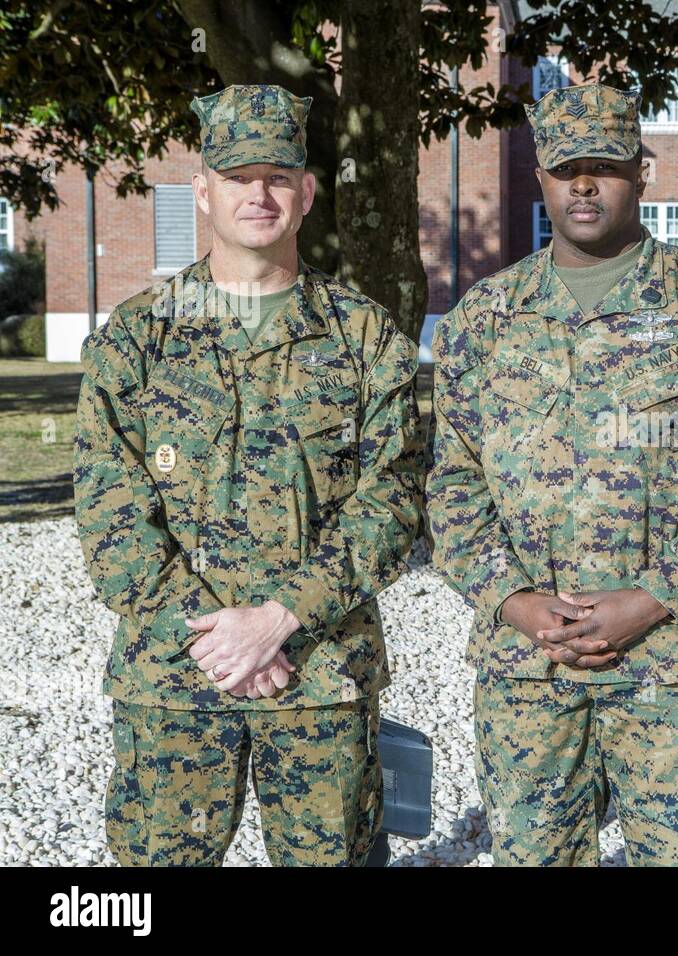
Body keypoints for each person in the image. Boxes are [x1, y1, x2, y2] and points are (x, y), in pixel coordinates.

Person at [425, 82, 678, 866]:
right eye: (566, 168)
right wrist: (511, 601)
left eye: (605, 166)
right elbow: (452, 487)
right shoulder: (480, 324)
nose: (584, 185)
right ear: (544, 180)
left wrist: (652, 597)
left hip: (677, 667)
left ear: (642, 172)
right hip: (529, 672)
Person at [73, 83, 423, 866]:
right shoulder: (138, 337)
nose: (257, 195)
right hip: (173, 680)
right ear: (203, 192)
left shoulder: (364, 336)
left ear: (305, 191)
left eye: (275, 176)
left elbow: (394, 498)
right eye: (237, 177)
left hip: (320, 672)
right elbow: (109, 509)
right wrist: (213, 639)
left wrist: (279, 619)